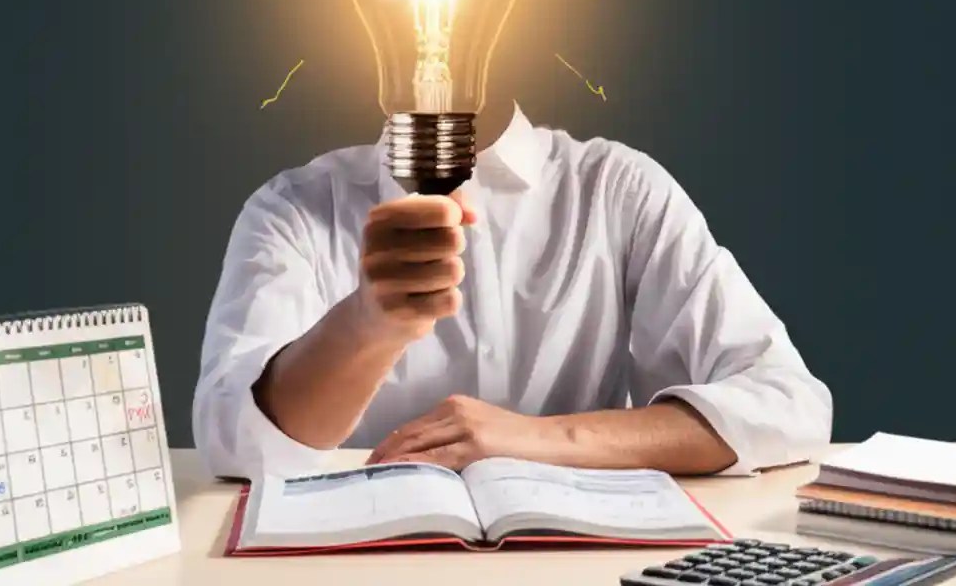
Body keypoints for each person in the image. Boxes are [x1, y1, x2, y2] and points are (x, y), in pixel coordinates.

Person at [192, 103, 831, 480]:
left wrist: (537, 440)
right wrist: (365, 323)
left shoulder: (615, 189)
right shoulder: (296, 209)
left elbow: (788, 404)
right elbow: (230, 438)